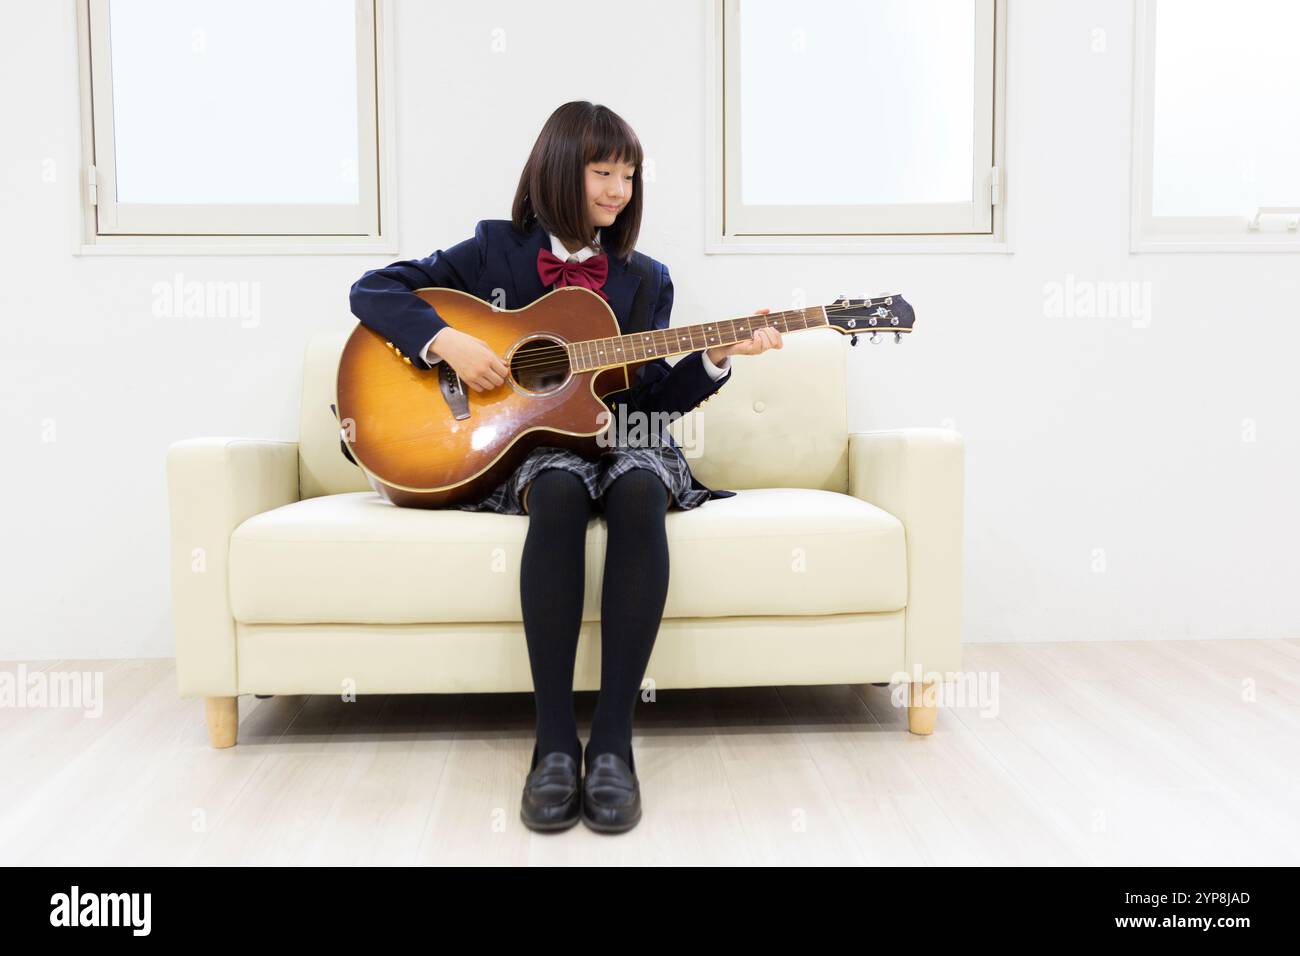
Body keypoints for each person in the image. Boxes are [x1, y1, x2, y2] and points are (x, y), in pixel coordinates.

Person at [348, 101, 781, 834]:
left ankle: (613, 742)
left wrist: (713, 359)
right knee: (555, 492)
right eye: (602, 171)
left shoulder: (647, 279)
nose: (618, 190)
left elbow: (649, 405)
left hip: (620, 438)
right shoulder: (491, 250)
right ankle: (553, 743)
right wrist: (447, 343)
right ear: (558, 169)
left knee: (641, 487)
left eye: (629, 176)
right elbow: (372, 290)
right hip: (533, 446)